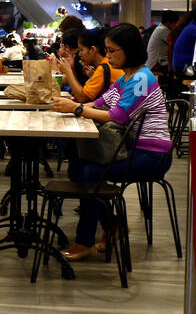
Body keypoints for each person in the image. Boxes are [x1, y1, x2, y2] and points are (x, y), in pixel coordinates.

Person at [53, 23, 172, 261]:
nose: (108, 56)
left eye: (113, 51)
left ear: (130, 50)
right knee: (77, 167)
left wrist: (75, 109)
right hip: (135, 150)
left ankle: (85, 241)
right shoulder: (128, 77)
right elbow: (100, 103)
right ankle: (113, 226)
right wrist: (67, 107)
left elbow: (117, 116)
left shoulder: (141, 78)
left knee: (89, 172)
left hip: (152, 156)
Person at [60, 27, 122, 104]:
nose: (80, 54)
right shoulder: (102, 66)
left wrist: (68, 71)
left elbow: (82, 97)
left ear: (92, 50)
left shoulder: (103, 68)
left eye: (81, 50)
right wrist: (72, 69)